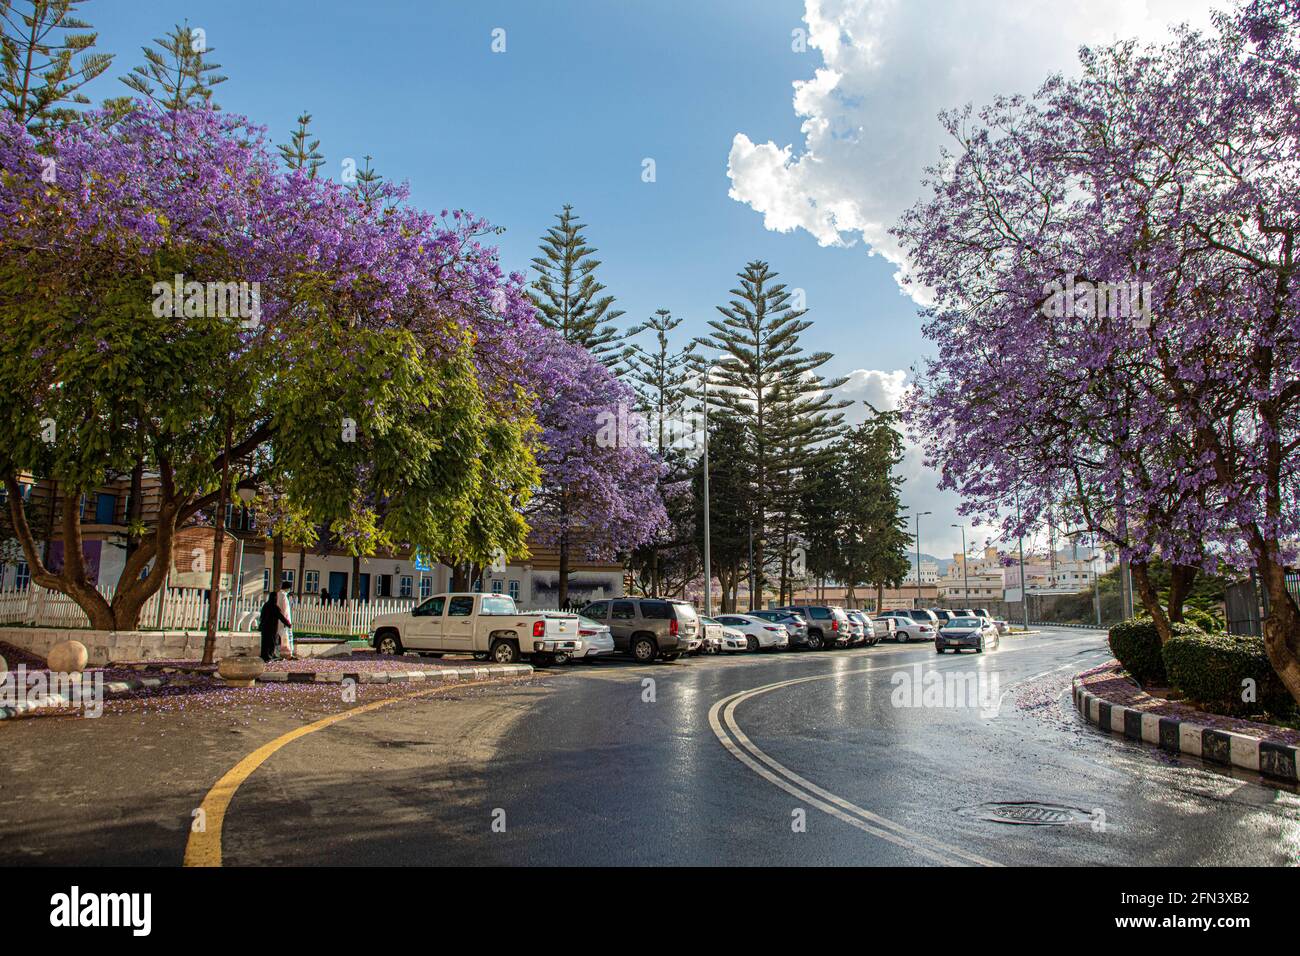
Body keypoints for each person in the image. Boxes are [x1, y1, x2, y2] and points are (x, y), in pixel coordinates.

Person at [258, 590, 290, 663]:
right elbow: (280, 616)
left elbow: (262, 616)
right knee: (271, 642)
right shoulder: (274, 607)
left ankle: (264, 655)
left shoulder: (266, 605)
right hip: (272, 627)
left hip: (264, 627)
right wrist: (288, 624)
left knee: (265, 642)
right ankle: (269, 656)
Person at [275, 581, 294, 659]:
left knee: (278, 637)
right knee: (285, 638)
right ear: (288, 588)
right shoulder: (284, 596)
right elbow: (285, 611)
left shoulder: (278, 594)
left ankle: (277, 652)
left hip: (277, 620)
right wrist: (287, 622)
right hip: (283, 621)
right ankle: (287, 653)